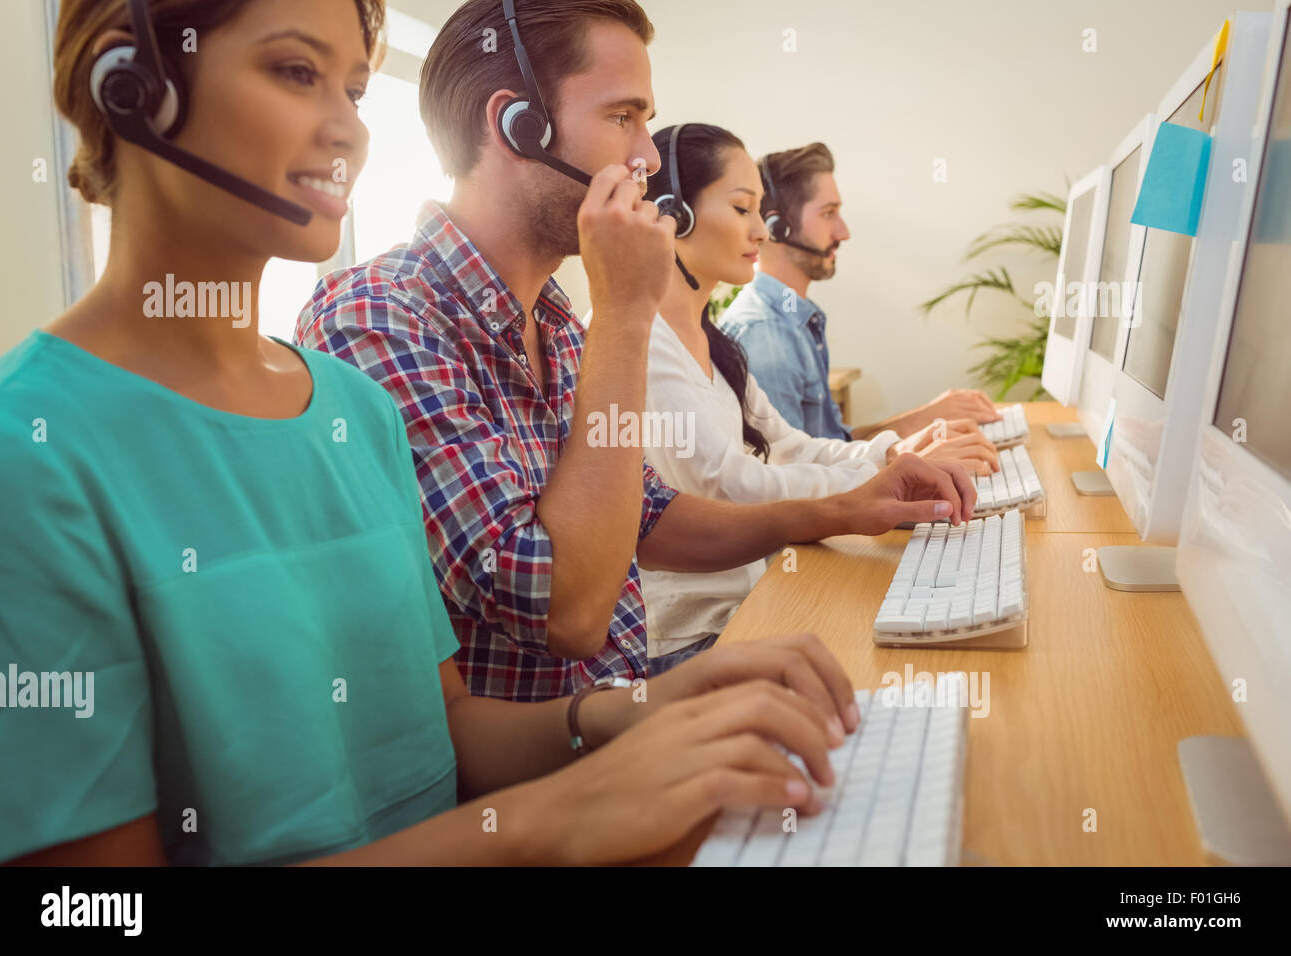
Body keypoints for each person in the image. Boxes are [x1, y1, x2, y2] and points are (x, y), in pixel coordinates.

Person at [0, 0, 875, 868]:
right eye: (297, 72)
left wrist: (630, 712)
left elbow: (440, 732)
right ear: (130, 85)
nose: (352, 133)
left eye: (356, 91)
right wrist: (553, 816)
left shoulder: (346, 406)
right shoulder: (26, 452)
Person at [297, 0, 977, 689]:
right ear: (515, 125)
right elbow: (565, 611)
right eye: (624, 117)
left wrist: (844, 509)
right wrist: (625, 310)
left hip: (625, 717)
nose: (648, 156)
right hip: (550, 773)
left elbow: (650, 518)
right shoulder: (382, 315)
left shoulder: (554, 320)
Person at [639, 124, 1001, 660]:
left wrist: (893, 456)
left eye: (761, 211)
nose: (762, 232)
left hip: (753, 598)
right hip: (697, 638)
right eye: (743, 209)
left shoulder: (713, 343)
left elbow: (791, 445)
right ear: (675, 214)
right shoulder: (642, 344)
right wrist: (873, 486)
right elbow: (732, 485)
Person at [719, 142, 1003, 441]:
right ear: (777, 227)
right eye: (828, 214)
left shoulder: (794, 321)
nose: (844, 232)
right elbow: (791, 476)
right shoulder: (767, 334)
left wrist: (927, 419)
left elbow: (834, 445)